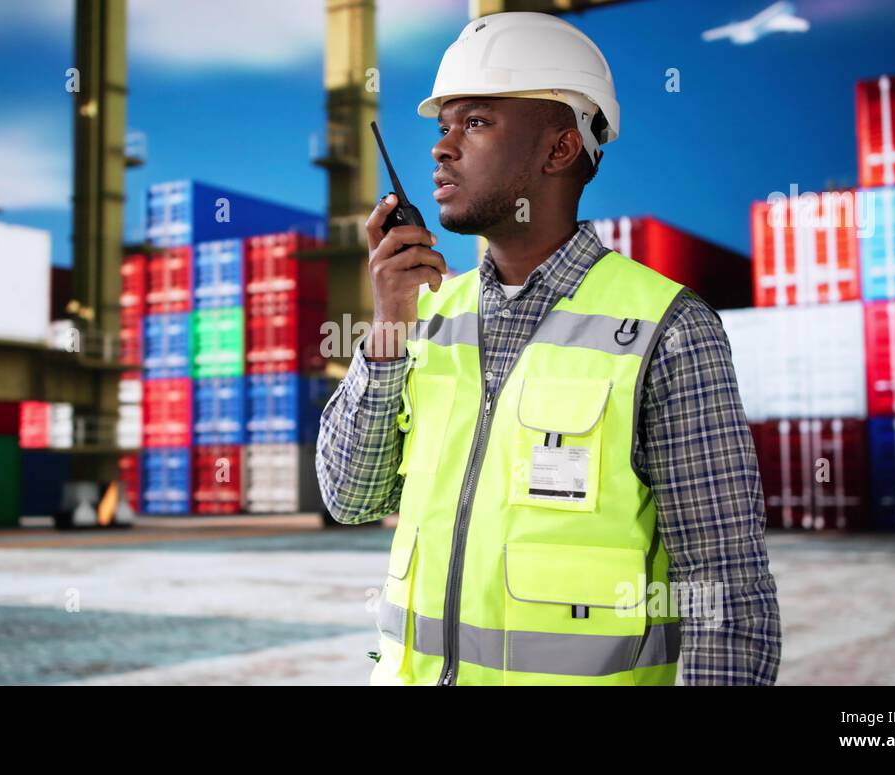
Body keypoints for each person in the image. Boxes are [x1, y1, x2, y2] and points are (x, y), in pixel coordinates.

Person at [315, 11, 781, 686]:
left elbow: (726, 597)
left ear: (560, 150)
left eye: (475, 122)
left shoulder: (668, 328)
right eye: (443, 126)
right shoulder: (425, 314)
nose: (441, 148)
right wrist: (386, 331)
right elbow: (350, 497)